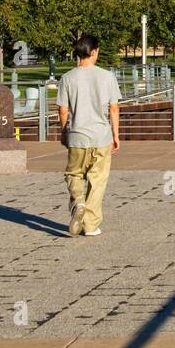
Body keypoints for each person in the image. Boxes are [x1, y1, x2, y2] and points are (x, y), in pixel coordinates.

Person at [56, 34, 121, 237]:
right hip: (101, 136)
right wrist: (115, 135)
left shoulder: (67, 78)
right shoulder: (107, 76)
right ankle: (91, 225)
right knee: (97, 180)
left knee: (73, 174)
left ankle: (78, 202)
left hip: (77, 135)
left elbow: (63, 110)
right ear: (94, 52)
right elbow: (114, 108)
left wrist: (64, 131)